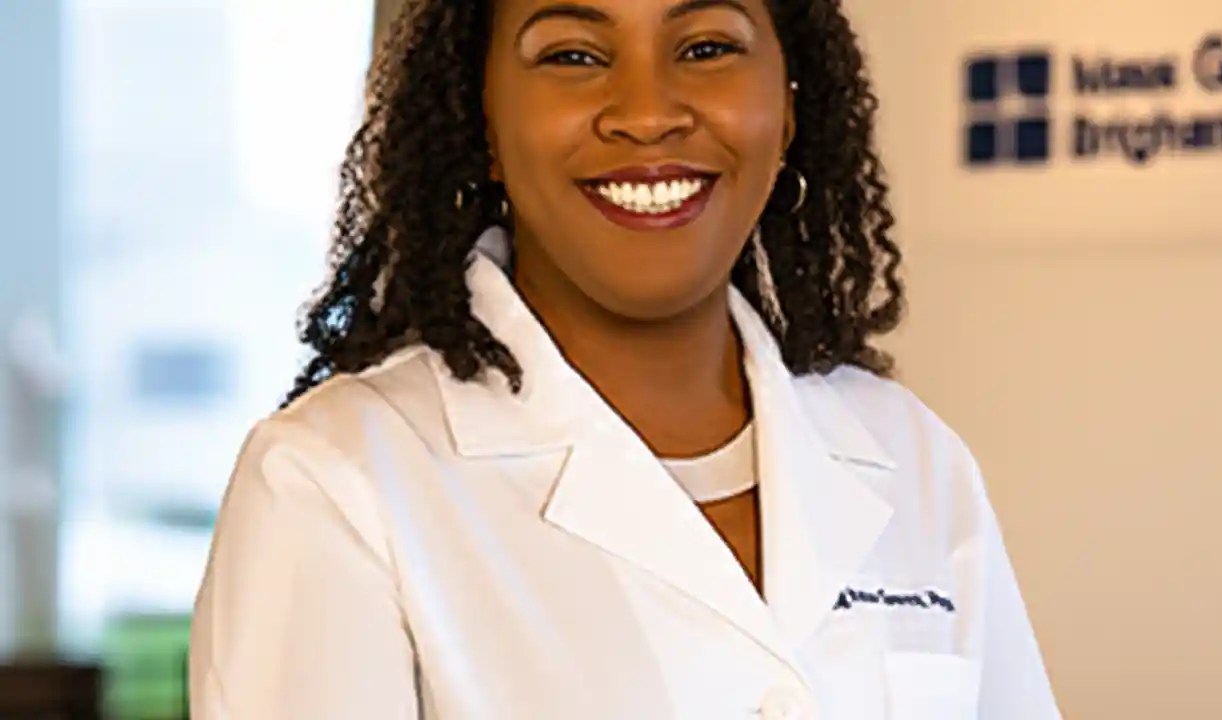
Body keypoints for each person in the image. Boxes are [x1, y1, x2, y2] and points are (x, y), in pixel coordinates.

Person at [188, 0, 1061, 717]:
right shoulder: (335, 485)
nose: (647, 112)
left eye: (708, 45)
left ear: (788, 106)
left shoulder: (911, 458)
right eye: (572, 55)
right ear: (483, 119)